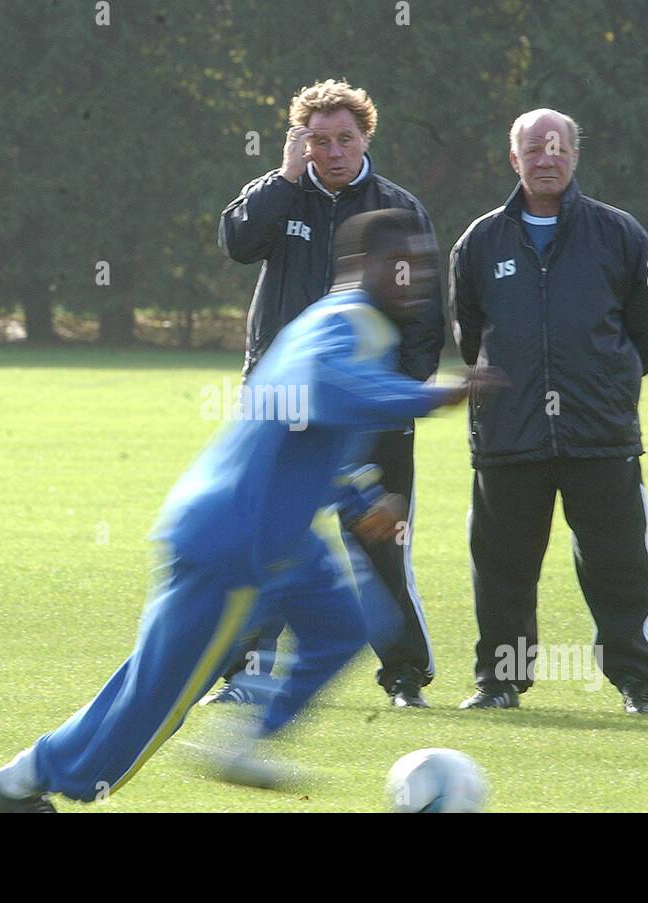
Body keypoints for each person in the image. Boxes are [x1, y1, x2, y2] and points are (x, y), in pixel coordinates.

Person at [0, 210, 492, 812]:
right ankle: (25, 782)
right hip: (238, 540)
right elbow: (318, 390)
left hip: (274, 538)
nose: (418, 275)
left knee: (346, 625)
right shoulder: (345, 322)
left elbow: (304, 428)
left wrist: (357, 499)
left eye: (427, 264)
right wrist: (428, 395)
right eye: (403, 263)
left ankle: (243, 736)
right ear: (362, 266)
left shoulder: (353, 326)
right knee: (158, 698)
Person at [215, 78, 445, 709]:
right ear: (301, 142)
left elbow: (426, 321)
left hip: (367, 413)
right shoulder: (282, 195)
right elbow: (237, 243)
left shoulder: (399, 210)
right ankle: (247, 674)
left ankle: (404, 678)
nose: (334, 151)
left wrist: (397, 395)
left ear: (366, 137)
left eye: (345, 138)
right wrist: (283, 177)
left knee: (377, 540)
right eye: (319, 140)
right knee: (267, 542)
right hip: (281, 409)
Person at [448, 108, 648, 715]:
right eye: (532, 148)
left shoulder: (619, 234)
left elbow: (646, 335)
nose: (546, 157)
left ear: (575, 155)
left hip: (599, 434)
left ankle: (634, 683)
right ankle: (499, 683)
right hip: (509, 436)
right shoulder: (480, 241)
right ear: (512, 158)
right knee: (502, 570)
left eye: (558, 146)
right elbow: (470, 334)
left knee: (618, 566)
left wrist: (607, 384)